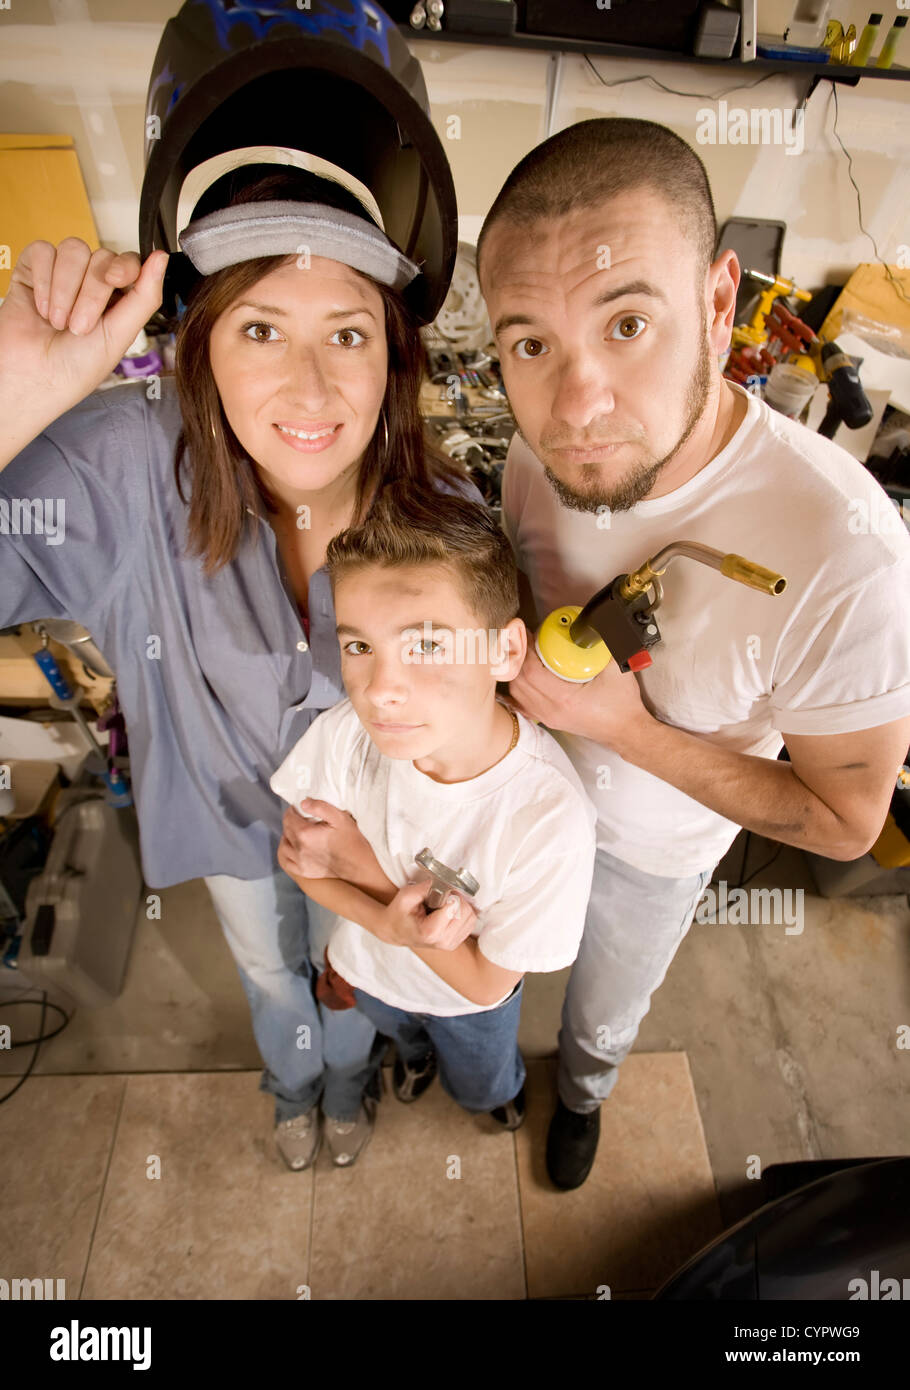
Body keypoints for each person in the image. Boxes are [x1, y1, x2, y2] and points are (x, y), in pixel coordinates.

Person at [0, 165, 482, 1172]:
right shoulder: (136, 469)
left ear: (390, 354)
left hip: (375, 835)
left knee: (350, 967)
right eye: (260, 328)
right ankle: (295, 1085)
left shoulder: (448, 513)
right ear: (200, 345)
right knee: (272, 973)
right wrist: (13, 393)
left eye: (345, 332)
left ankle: (348, 1081)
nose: (307, 388)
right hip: (225, 826)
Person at [474, 117, 910, 1190]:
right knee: (482, 963)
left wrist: (624, 729)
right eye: (530, 342)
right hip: (514, 798)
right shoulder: (536, 456)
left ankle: (580, 1095)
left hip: (652, 851)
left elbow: (844, 819)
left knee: (605, 999)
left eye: (627, 323)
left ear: (720, 304)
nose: (577, 409)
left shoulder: (842, 555)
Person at [268, 489, 598, 1161]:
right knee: (399, 1031)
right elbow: (300, 862)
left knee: (478, 1071)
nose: (379, 687)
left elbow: (483, 982)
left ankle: (494, 1096)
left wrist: (367, 878)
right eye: (359, 644)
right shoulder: (346, 738)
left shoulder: (548, 818)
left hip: (467, 1007)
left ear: (505, 651)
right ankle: (411, 1057)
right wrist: (383, 927)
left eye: (425, 643)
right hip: (370, 966)